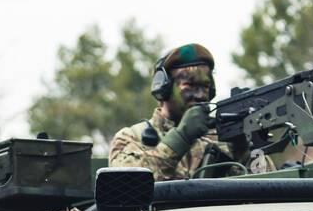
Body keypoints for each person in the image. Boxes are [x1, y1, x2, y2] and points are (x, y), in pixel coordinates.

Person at [109, 43, 267, 179]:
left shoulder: (220, 139)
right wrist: (181, 138)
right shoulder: (131, 138)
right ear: (164, 88)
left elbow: (267, 185)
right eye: (190, 86)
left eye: (204, 87)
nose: (200, 95)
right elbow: (123, 187)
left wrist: (242, 149)